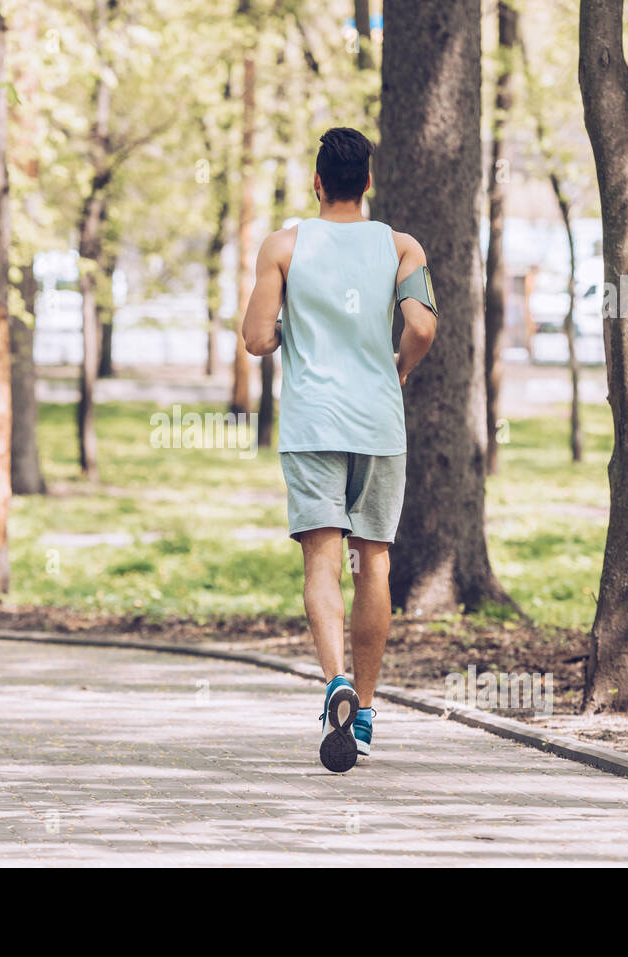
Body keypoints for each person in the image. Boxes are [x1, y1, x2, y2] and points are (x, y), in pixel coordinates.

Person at [241, 127, 438, 773]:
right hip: (379, 424)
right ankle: (369, 707)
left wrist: (288, 329)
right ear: (368, 184)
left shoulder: (284, 245)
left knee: (322, 560)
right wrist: (398, 369)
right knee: (373, 562)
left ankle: (334, 683)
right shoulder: (401, 246)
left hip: (313, 425)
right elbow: (423, 324)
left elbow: (255, 338)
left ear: (317, 181)